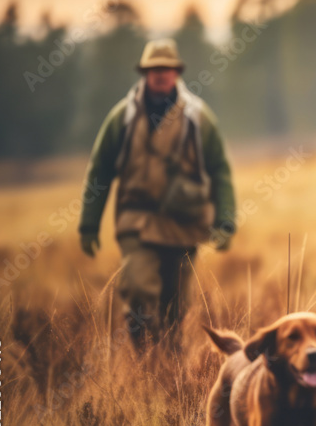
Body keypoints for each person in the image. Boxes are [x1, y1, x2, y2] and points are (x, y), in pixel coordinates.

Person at [78, 39, 236, 352]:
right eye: (154, 70)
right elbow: (100, 171)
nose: (160, 75)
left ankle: (168, 365)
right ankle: (145, 357)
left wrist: (226, 219)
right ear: (145, 74)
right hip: (136, 222)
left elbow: (220, 170)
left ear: (177, 72)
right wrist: (89, 223)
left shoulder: (199, 117)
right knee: (137, 291)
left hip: (184, 224)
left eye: (166, 69)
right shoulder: (122, 116)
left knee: (175, 308)